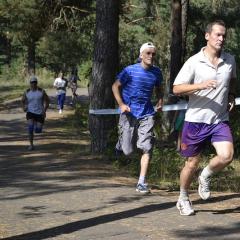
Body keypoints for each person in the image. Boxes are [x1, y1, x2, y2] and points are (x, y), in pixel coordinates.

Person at [173, 20, 236, 216]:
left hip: (219, 119)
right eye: (217, 34)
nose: (221, 38)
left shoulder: (230, 60)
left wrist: (232, 96)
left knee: (227, 155)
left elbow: (232, 80)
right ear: (207, 36)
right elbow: (176, 88)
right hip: (195, 120)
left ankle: (206, 175)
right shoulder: (194, 61)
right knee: (191, 164)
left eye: (224, 35)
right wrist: (200, 85)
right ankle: (183, 197)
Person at [112, 42, 164, 193]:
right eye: (148, 53)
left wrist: (160, 102)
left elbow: (159, 88)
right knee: (128, 151)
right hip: (129, 113)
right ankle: (120, 143)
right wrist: (121, 104)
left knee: (146, 147)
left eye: (153, 54)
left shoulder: (156, 72)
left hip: (147, 113)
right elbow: (115, 86)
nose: (151, 56)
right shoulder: (129, 70)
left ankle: (141, 182)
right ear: (141, 55)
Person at [21, 76, 50, 150]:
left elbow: (47, 101)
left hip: (40, 112)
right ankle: (31, 145)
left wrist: (44, 110)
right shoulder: (27, 91)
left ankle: (37, 128)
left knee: (38, 130)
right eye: (32, 82)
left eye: (35, 82)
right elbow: (22, 100)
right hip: (30, 112)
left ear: (37, 83)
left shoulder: (41, 91)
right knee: (30, 128)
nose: (33, 84)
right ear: (30, 83)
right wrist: (24, 107)